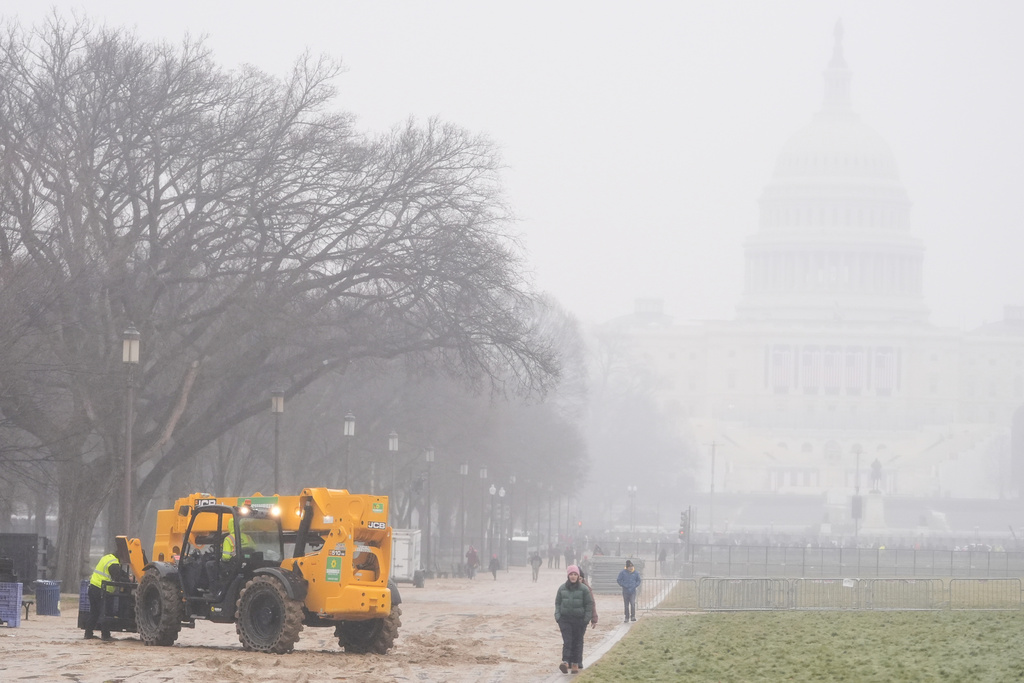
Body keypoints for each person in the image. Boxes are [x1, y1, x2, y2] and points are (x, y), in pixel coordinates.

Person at [554, 564, 593, 675]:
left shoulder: (584, 589)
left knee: (577, 641)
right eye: (571, 574)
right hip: (565, 619)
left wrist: (586, 619)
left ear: (578, 576)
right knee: (567, 641)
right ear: (568, 575)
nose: (573, 576)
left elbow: (589, 604)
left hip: (579, 620)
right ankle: (565, 662)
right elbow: (557, 603)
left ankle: (575, 664)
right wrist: (558, 617)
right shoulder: (562, 588)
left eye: (575, 574)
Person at [84, 549, 125, 641]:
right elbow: (117, 576)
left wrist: (125, 575)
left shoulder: (107, 558)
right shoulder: (114, 563)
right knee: (105, 612)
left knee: (94, 612)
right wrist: (127, 580)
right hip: (101, 590)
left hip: (93, 587)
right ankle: (106, 635)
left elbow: (118, 572)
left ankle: (88, 634)